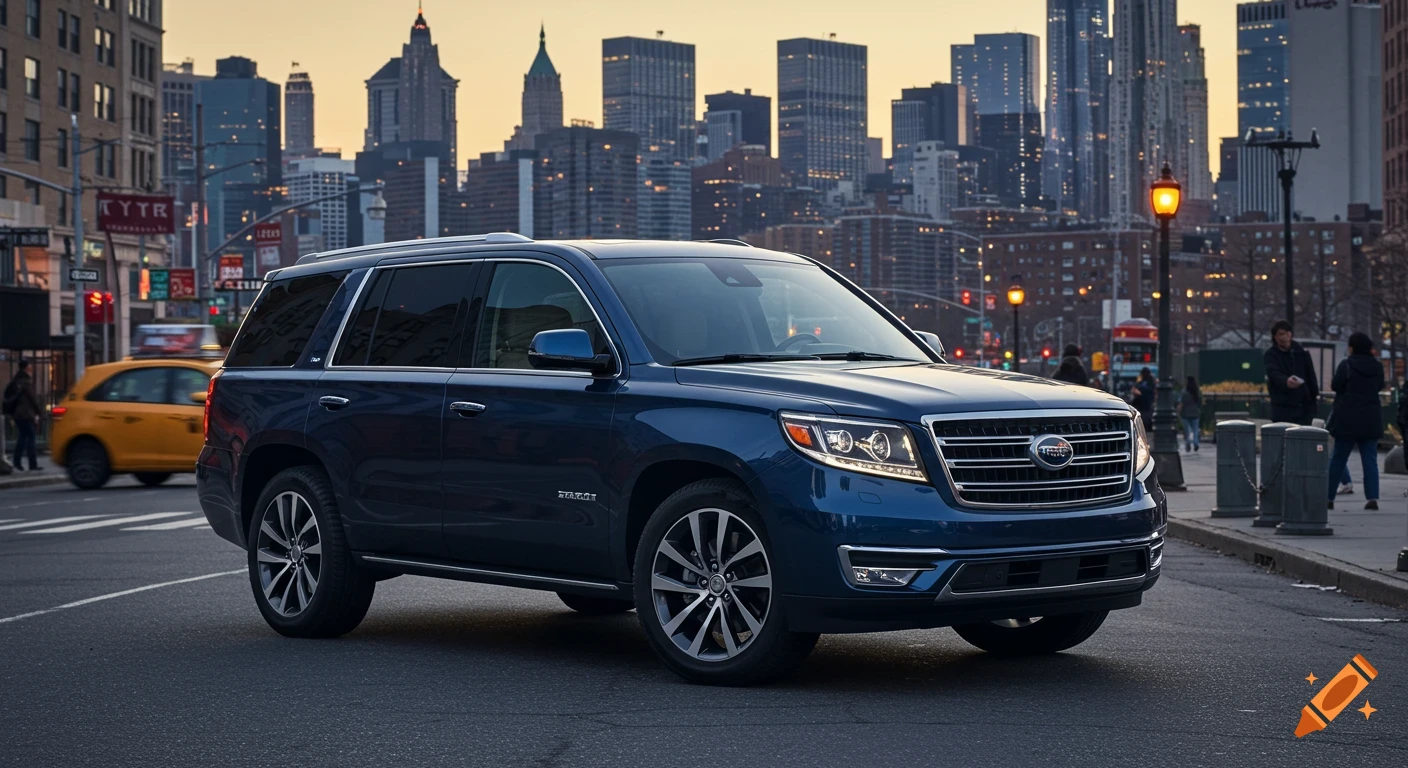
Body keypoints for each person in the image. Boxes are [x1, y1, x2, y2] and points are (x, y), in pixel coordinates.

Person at [1326, 333, 1384, 510]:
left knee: (1338, 458)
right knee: (1370, 460)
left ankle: (1328, 497)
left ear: (1352, 348)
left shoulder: (1347, 364)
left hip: (1347, 419)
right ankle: (1372, 497)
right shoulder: (1377, 366)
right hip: (1370, 418)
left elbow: (1336, 386)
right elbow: (1379, 386)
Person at [3, 360, 42, 471]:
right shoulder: (25, 382)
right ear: (26, 368)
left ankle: (17, 461)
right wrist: (39, 412)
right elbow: (32, 399)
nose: (31, 370)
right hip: (26, 414)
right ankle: (32, 464)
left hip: (18, 414)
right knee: (30, 437)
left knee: (23, 437)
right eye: (30, 368)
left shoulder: (16, 381)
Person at [1179, 376, 1202, 453]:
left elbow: (1181, 403)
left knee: (1187, 431)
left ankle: (1188, 442)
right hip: (1195, 413)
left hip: (1185, 414)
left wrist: (1178, 411)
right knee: (1195, 430)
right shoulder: (1197, 392)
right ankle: (1196, 443)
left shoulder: (1184, 392)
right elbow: (1200, 402)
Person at [1131, 367, 1156, 432]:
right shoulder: (1141, 381)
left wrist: (1140, 393)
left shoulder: (1151, 381)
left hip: (1147, 402)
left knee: (1146, 418)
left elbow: (1150, 390)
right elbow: (1135, 387)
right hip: (1139, 403)